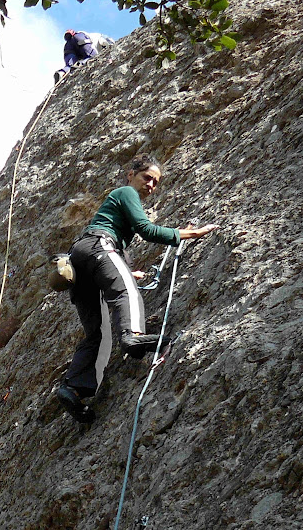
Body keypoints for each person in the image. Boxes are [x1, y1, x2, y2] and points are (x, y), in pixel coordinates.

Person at [57, 154, 219, 423]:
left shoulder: (113, 209)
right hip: (100, 247)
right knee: (127, 291)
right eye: (147, 178)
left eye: (155, 182)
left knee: (97, 334)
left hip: (82, 261)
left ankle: (72, 387)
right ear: (130, 175)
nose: (151, 186)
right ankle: (132, 335)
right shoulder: (125, 192)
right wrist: (191, 234)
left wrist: (126, 269)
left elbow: (112, 252)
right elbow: (146, 229)